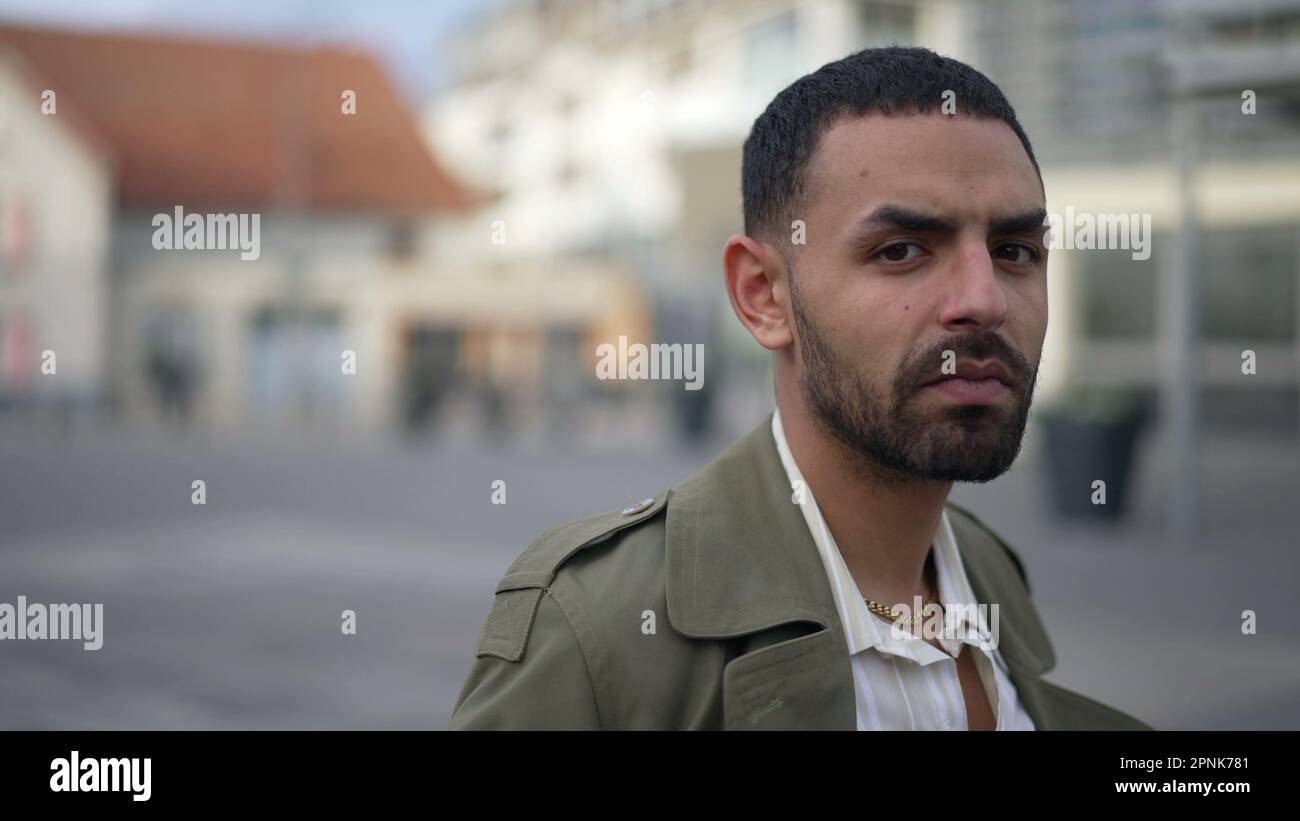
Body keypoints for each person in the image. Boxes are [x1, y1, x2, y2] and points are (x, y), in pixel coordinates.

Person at [449, 46, 1151, 730]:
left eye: (1015, 251)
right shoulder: (594, 628)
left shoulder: (990, 573)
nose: (985, 299)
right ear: (764, 296)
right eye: (902, 250)